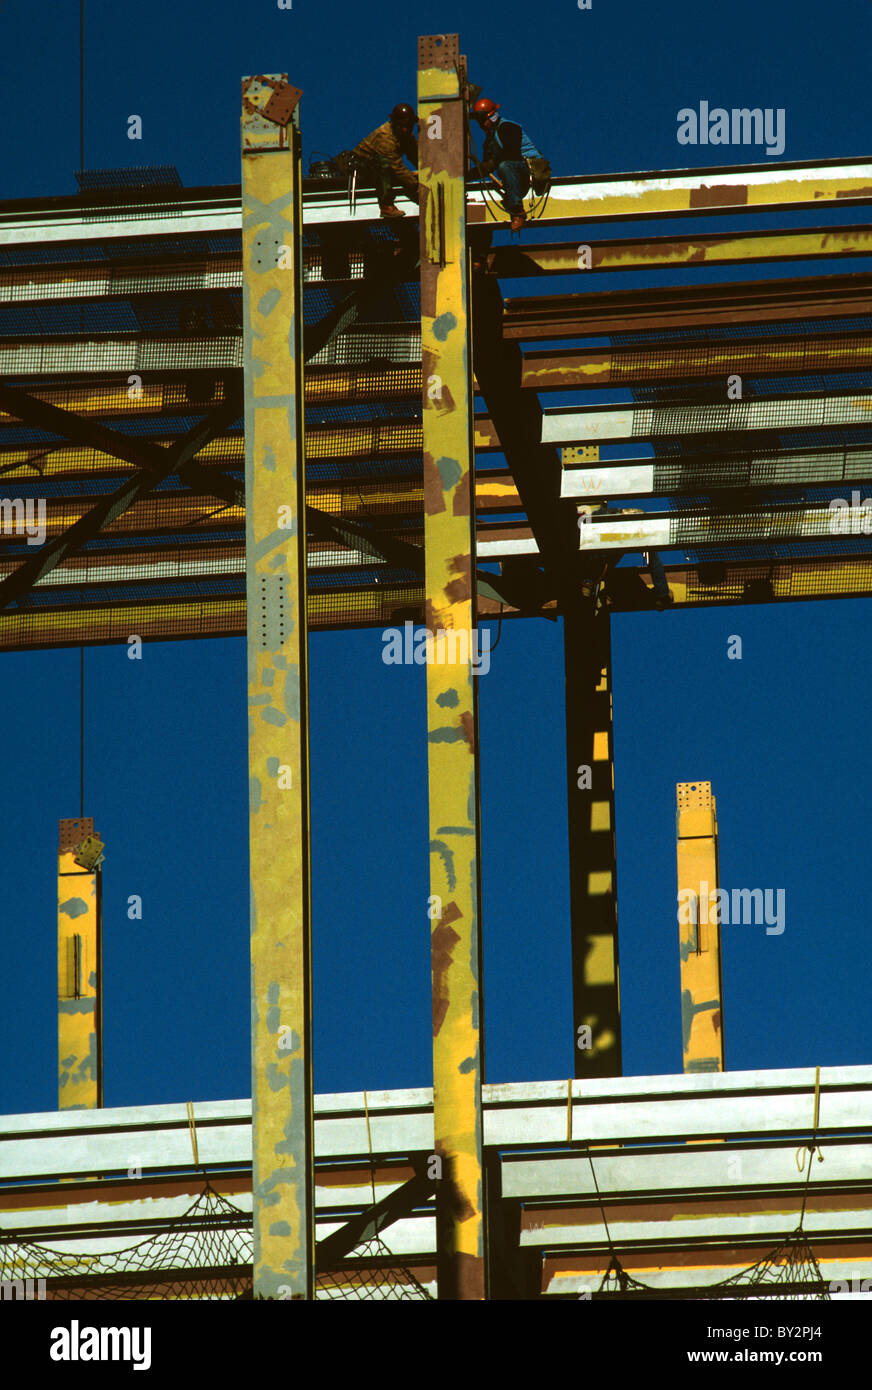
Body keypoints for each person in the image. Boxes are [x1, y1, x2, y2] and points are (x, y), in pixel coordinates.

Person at [472, 98, 548, 232]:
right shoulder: (490, 140)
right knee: (503, 165)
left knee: (505, 166)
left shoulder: (508, 127)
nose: (481, 125)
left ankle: (517, 212)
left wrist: (490, 164)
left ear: (492, 117)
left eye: (482, 121)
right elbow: (486, 167)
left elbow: (510, 155)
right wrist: (462, 176)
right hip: (517, 171)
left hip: (531, 168)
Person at [337, 104, 419, 219]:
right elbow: (396, 167)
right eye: (402, 125)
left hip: (377, 167)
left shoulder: (405, 135)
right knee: (384, 163)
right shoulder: (385, 137)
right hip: (359, 167)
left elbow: (416, 156)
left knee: (393, 169)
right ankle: (386, 206)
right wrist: (416, 186)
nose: (405, 129)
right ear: (395, 123)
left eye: (408, 125)